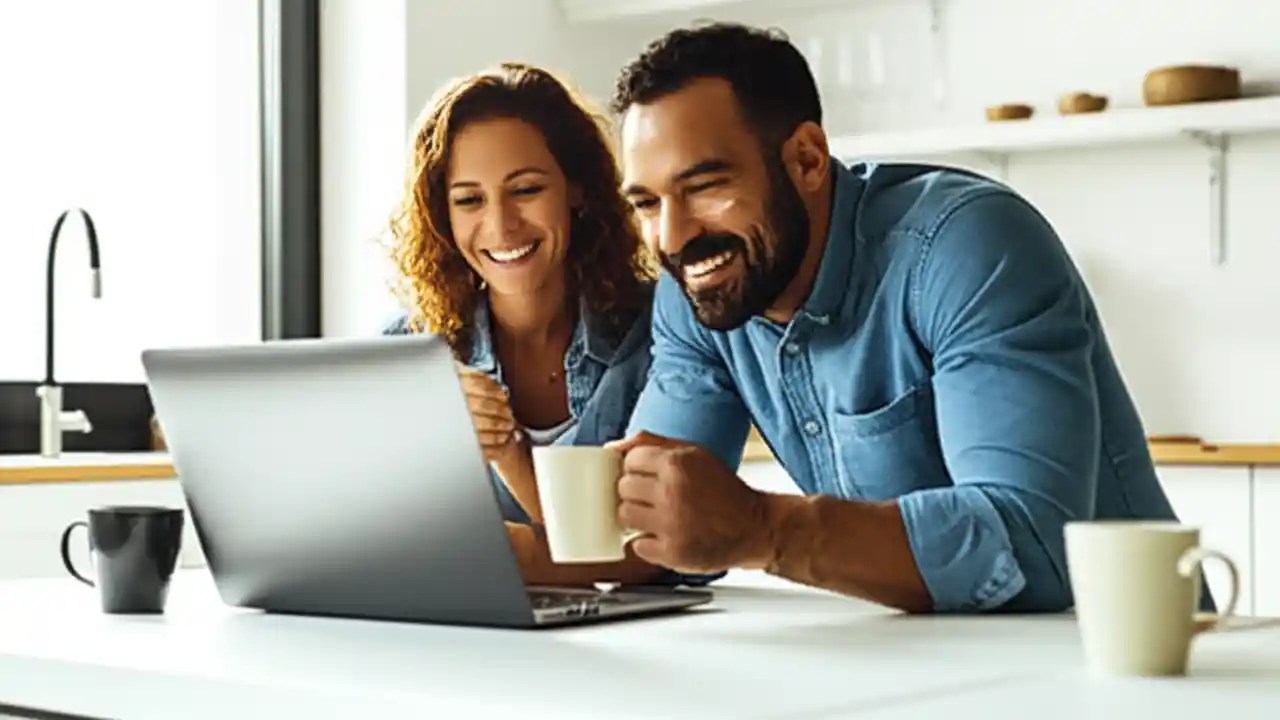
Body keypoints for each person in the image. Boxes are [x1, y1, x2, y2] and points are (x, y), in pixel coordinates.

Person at [607, 23, 1185, 613]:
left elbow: (1032, 545)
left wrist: (766, 529)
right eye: (647, 204)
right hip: (914, 665)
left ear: (806, 159)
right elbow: (650, 528)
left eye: (704, 186)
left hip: (1132, 659)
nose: (673, 237)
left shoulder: (966, 244)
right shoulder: (700, 290)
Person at [384, 63, 666, 587]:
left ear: (576, 190)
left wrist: (506, 449)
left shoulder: (659, 334)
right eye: (469, 200)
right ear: (443, 217)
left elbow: (665, 554)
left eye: (526, 189)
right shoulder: (407, 354)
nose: (500, 225)